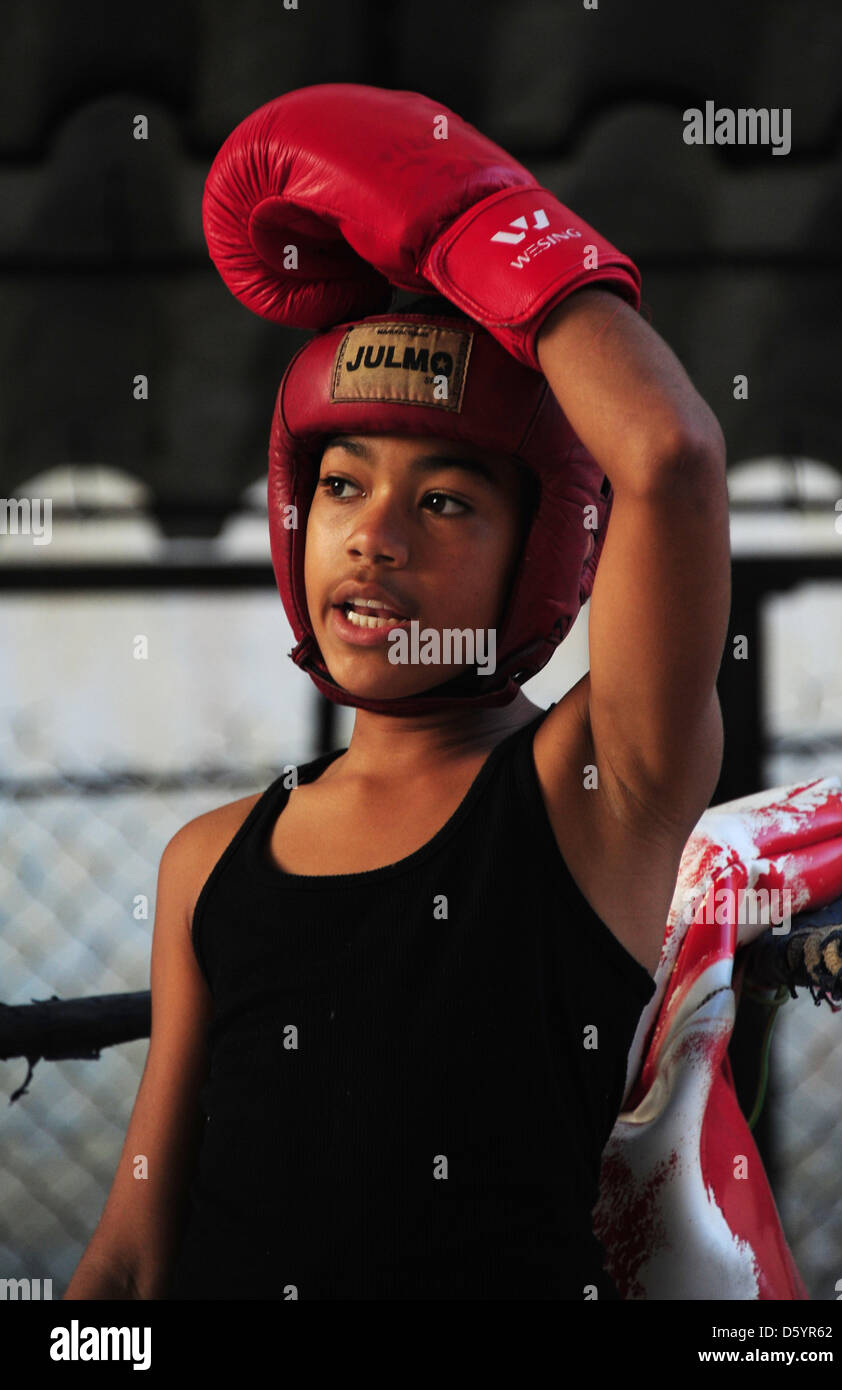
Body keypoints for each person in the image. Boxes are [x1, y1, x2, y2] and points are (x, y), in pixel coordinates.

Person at [63, 86, 730, 1301]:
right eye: (342, 486)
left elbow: (670, 458)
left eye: (443, 501)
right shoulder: (206, 860)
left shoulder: (593, 787)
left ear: (543, 555)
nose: (372, 539)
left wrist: (478, 228)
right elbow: (124, 1263)